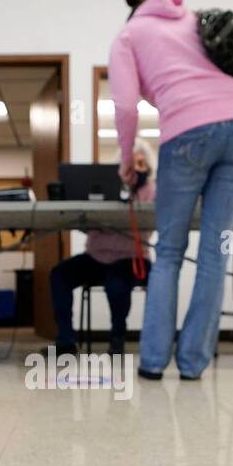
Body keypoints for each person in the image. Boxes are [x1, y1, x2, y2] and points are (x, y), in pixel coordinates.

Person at [109, 0, 233, 380]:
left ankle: (154, 362)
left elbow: (125, 106)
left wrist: (128, 159)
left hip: (188, 131)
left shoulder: (128, 36)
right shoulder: (191, 19)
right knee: (215, 250)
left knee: (171, 251)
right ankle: (194, 364)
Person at [48, 142, 155, 356]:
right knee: (59, 274)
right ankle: (66, 341)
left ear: (149, 167)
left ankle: (117, 339)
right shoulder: (105, 187)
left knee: (116, 282)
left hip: (131, 259)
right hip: (96, 257)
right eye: (130, 163)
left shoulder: (154, 191)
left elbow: (151, 225)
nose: (135, 169)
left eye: (140, 163)